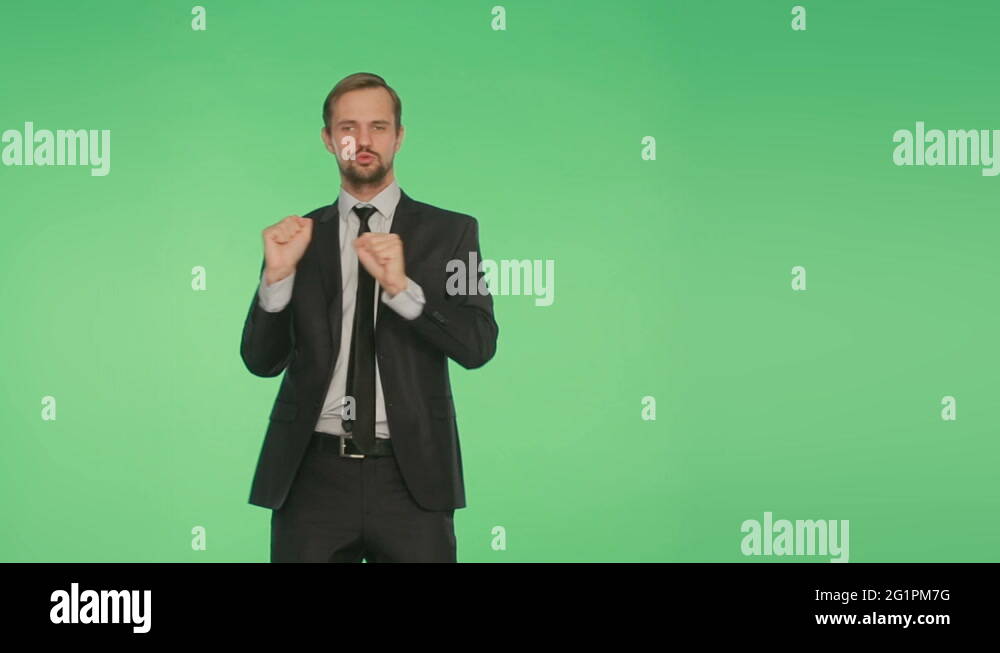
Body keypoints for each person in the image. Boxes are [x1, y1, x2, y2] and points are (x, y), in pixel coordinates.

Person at [239, 72, 499, 562]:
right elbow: (260, 360)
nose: (363, 140)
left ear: (399, 136)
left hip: (413, 479)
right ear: (328, 139)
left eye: (378, 127)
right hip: (310, 478)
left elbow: (477, 343)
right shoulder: (296, 237)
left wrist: (403, 290)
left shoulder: (453, 233)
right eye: (348, 128)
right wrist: (276, 280)